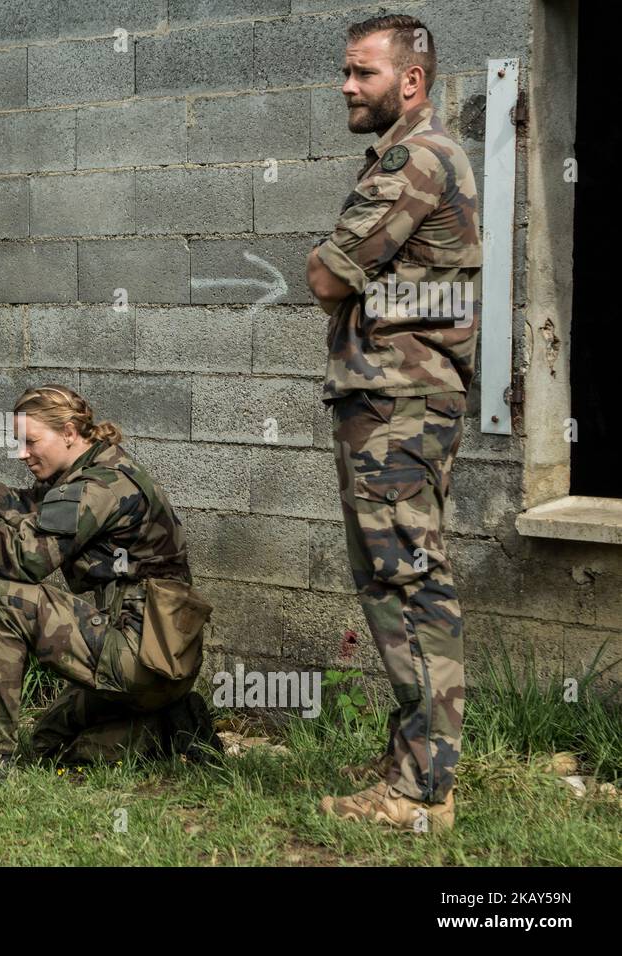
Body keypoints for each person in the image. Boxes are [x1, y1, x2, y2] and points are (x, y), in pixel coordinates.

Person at [306, 14, 481, 831]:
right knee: (392, 579)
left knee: (408, 583)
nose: (347, 85)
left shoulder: (414, 159)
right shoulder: (417, 155)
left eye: (362, 73)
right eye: (346, 71)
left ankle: (423, 790)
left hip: (397, 408)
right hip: (395, 405)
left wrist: (335, 269)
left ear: (409, 81)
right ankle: (417, 759)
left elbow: (326, 275)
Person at [0, 384, 219, 783]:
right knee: (47, 744)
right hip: (159, 664)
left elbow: (22, 562)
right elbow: (26, 507)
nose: (22, 454)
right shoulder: (92, 471)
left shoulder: (97, 487)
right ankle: (173, 724)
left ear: (69, 432)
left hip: (140, 656)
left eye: (31, 441)